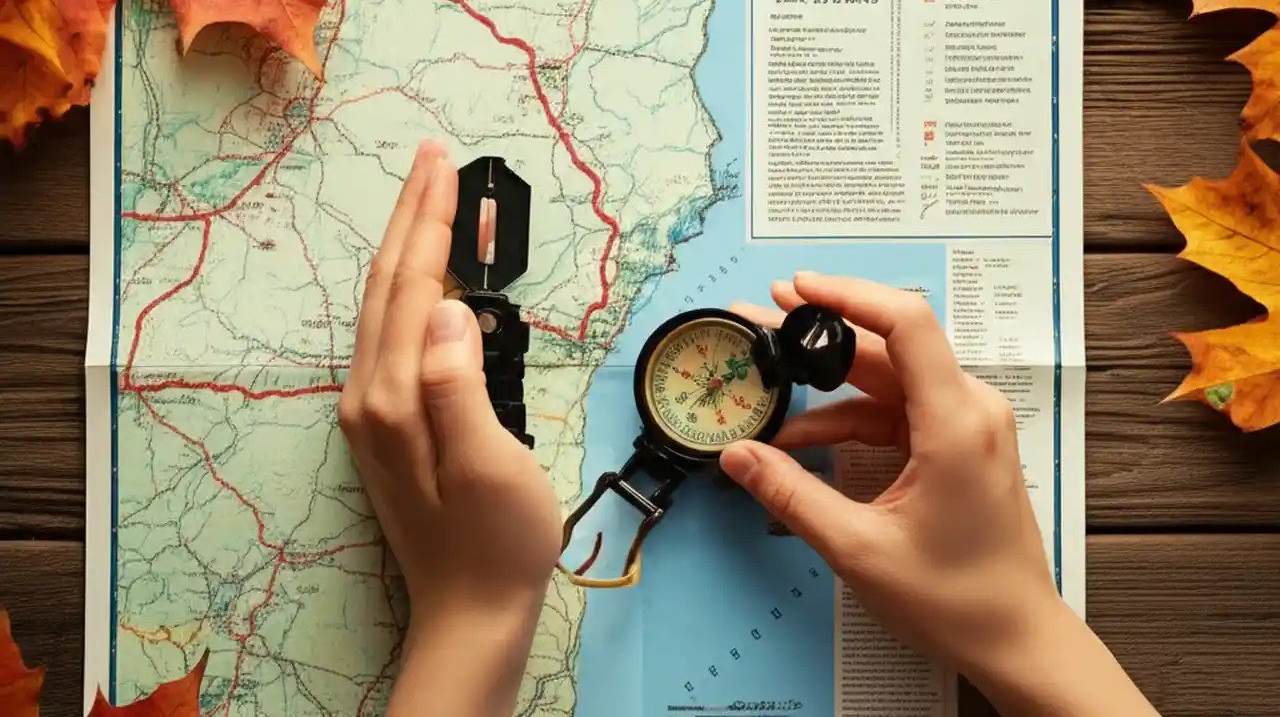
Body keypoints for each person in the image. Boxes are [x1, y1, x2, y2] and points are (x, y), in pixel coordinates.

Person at [337, 141, 1160, 716]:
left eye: (731, 383)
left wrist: (471, 616)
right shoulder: (714, 395)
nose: (726, 378)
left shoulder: (721, 399)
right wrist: (1024, 631)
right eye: (718, 372)